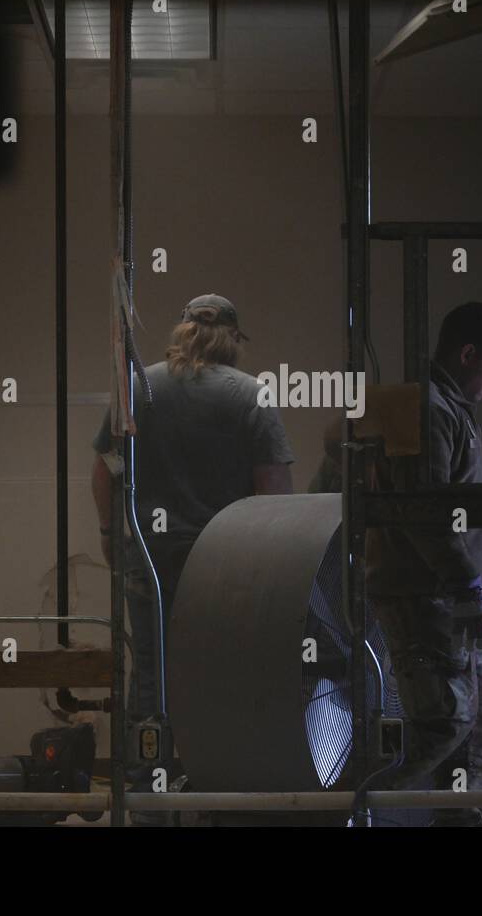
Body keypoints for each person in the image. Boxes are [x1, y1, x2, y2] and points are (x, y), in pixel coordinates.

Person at [91, 294, 295, 783]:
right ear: (232, 340)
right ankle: (220, 792)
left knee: (150, 682)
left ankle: (148, 797)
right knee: (225, 678)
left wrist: (107, 533)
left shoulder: (138, 389)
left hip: (149, 558)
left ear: (182, 332)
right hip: (225, 567)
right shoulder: (252, 395)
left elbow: (104, 474)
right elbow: (274, 494)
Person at [366, 301, 482, 826]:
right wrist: (468, 586)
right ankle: (343, 812)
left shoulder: (453, 412)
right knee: (444, 726)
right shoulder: (431, 410)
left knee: (481, 730)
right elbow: (424, 513)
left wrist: (470, 592)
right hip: (428, 597)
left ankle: (462, 821)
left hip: (452, 599)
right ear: (468, 353)